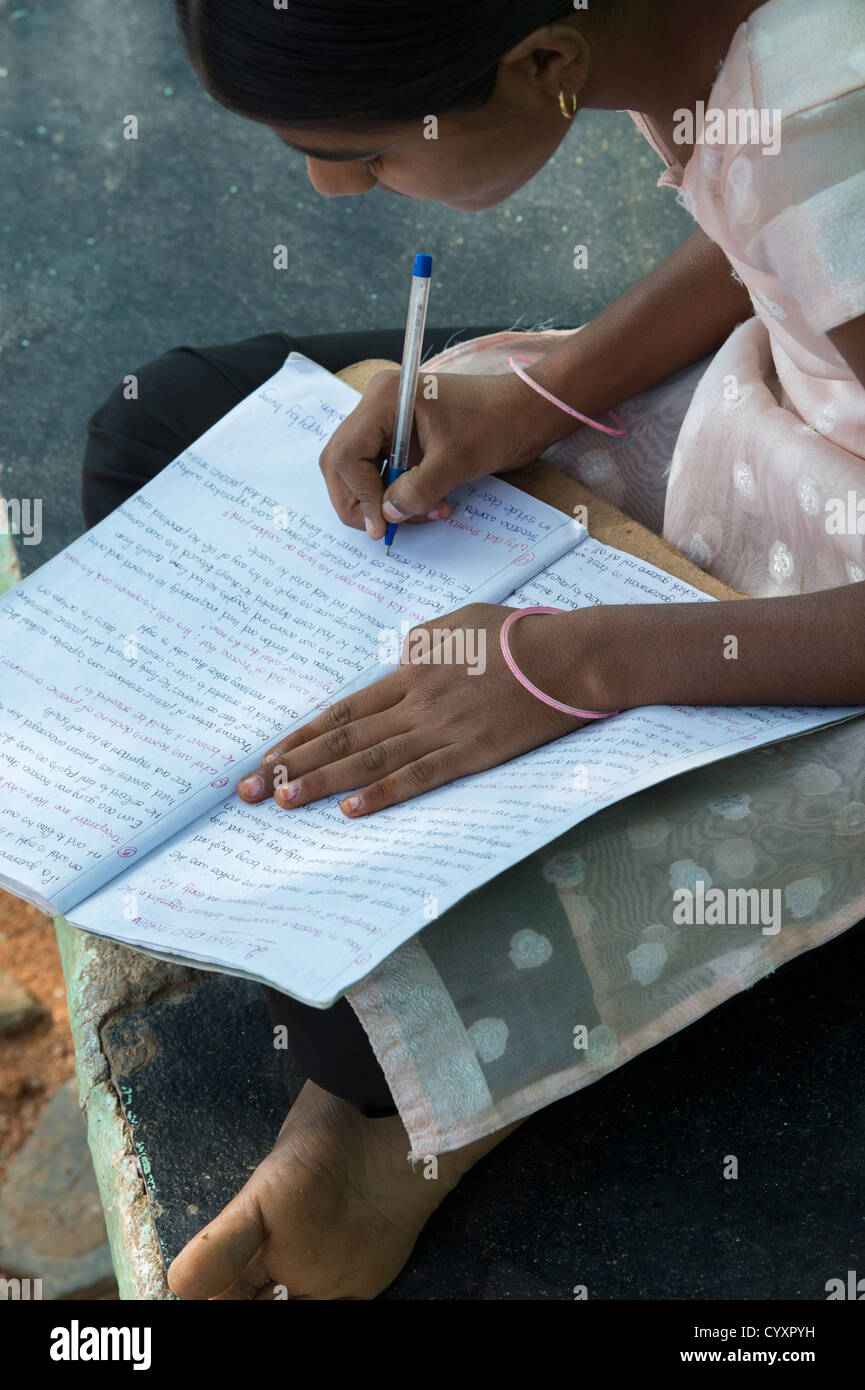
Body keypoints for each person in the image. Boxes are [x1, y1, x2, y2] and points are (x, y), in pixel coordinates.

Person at [82, 0, 865, 1298]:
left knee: (422, 767)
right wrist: (542, 393)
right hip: (758, 415)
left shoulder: (822, 118)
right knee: (163, 431)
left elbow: (807, 192)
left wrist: (581, 663)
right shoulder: (709, 55)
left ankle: (371, 1106)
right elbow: (775, 240)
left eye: (367, 152)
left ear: (544, 64)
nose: (332, 187)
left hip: (821, 597)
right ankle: (382, 1072)